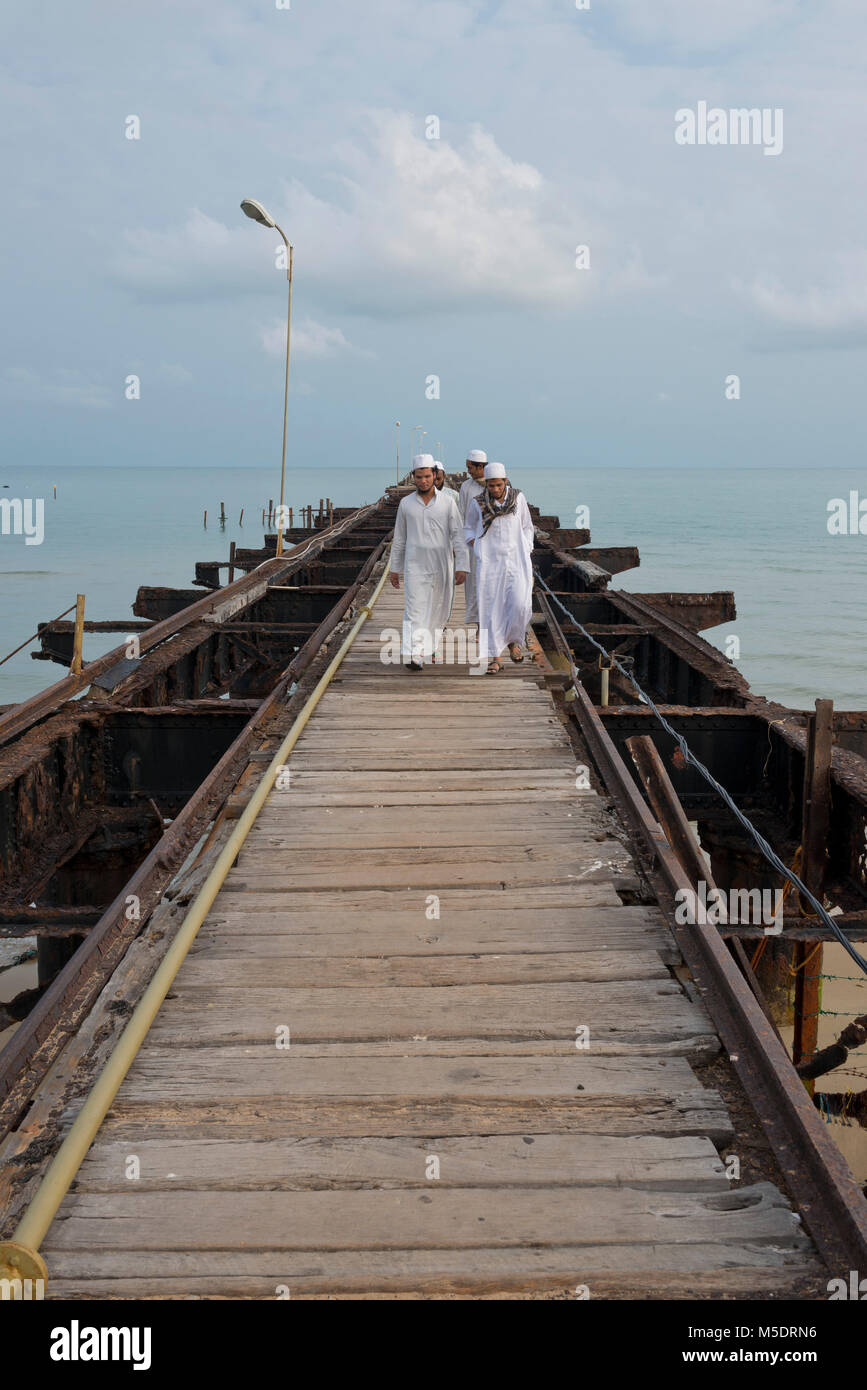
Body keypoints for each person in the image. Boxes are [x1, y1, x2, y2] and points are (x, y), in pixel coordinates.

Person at [390, 455, 468, 670]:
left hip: (442, 565)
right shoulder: (406, 504)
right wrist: (394, 569)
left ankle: (426, 649)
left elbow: (458, 537)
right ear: (413, 477)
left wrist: (462, 565)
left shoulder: (448, 503)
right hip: (414, 565)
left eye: (427, 476)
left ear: (435, 476)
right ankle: (413, 653)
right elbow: (400, 538)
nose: (423, 481)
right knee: (414, 608)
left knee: (438, 609)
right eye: (419, 477)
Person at [463, 461, 535, 674]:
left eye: (498, 485)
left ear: (505, 481)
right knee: (492, 609)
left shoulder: (518, 499)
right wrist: (477, 547)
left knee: (520, 604)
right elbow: (468, 528)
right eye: (491, 485)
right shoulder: (478, 503)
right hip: (491, 564)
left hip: (517, 561)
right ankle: (495, 658)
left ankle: (514, 642)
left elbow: (527, 526)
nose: (495, 489)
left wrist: (527, 546)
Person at [457, 449, 487, 627]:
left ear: (480, 467)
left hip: (491, 543)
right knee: (473, 587)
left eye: (471, 468)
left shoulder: (493, 485)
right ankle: (478, 627)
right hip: (471, 543)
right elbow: (460, 515)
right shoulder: (466, 487)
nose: (468, 471)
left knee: (489, 586)